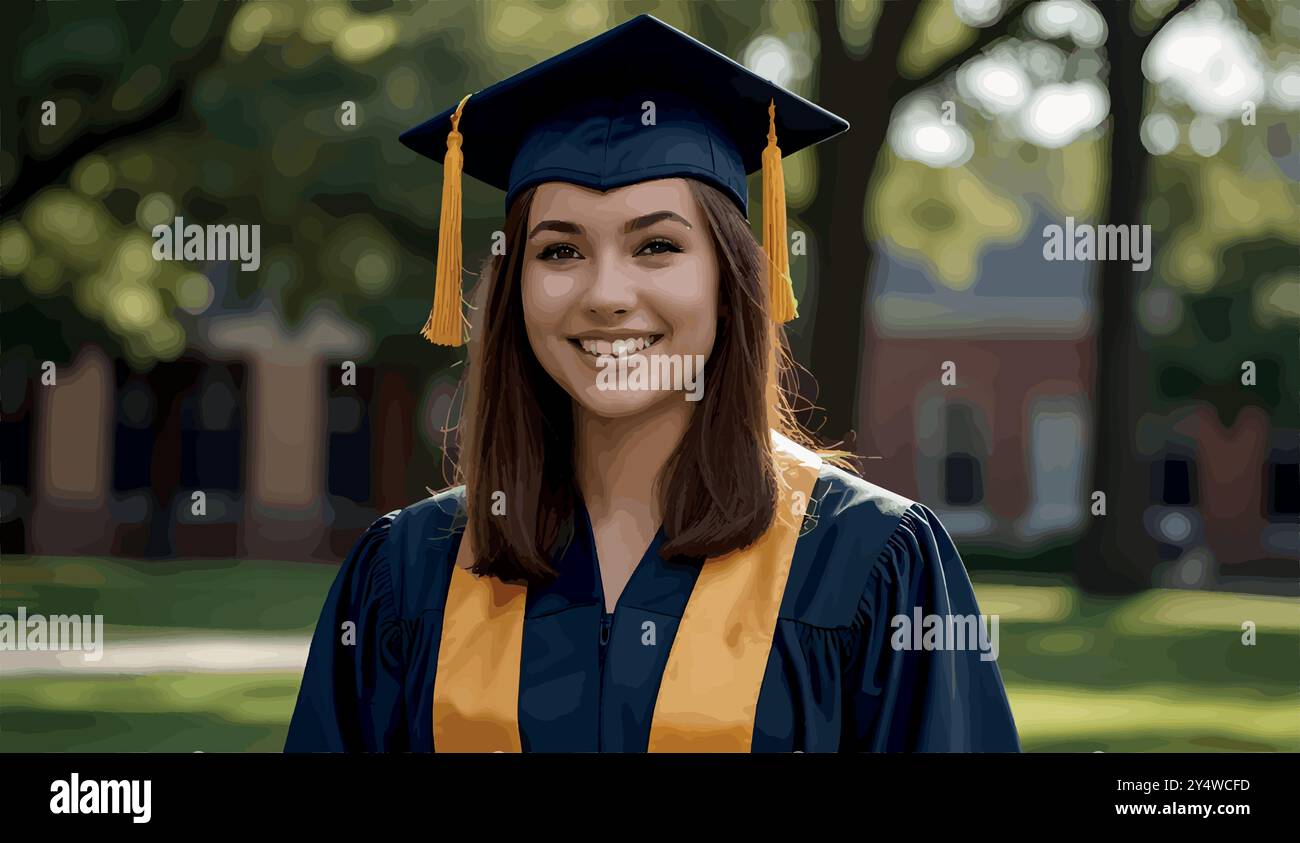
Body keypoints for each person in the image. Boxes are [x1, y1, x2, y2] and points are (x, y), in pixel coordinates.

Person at [285, 14, 1019, 753]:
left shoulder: (867, 561)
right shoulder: (407, 575)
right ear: (513, 289)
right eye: (561, 249)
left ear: (731, 282)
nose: (606, 293)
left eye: (657, 245)